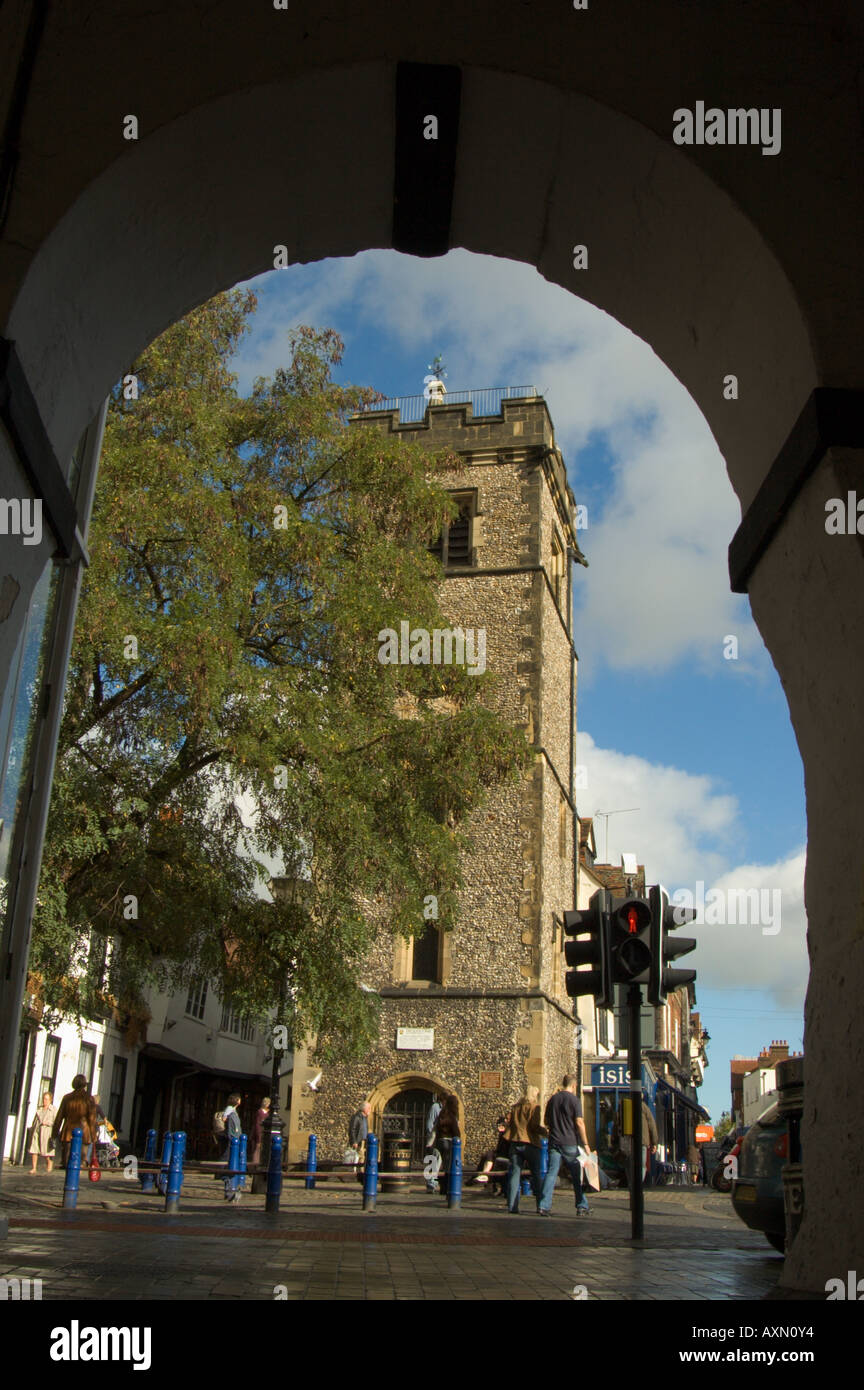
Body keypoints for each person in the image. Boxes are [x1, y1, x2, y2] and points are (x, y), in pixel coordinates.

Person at [538, 1075, 591, 1217]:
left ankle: (544, 1206)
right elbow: (579, 1123)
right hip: (569, 1142)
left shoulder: (553, 1099)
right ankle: (582, 1205)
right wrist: (585, 1143)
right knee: (576, 1176)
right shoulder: (574, 1100)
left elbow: (546, 1121)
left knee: (551, 1173)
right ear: (573, 1086)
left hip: (554, 1141)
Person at [503, 1085, 547, 1213]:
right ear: (534, 1095)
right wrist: (544, 1132)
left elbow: (510, 1125)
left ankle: (512, 1206)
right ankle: (540, 1205)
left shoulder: (515, 1107)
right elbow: (534, 1127)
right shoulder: (535, 1107)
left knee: (515, 1175)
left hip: (515, 1142)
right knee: (537, 1175)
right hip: (530, 1143)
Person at [52, 1075, 99, 1169]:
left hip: (68, 1133)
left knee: (67, 1163)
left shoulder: (67, 1098)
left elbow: (59, 1117)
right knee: (80, 1163)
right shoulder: (89, 1099)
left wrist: (54, 1133)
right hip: (84, 1134)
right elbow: (92, 1119)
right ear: (85, 1085)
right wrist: (93, 1137)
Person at [472, 1116, 510, 1195]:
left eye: (503, 1125)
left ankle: (484, 1176)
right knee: (486, 1156)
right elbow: (499, 1149)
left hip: (507, 1156)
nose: (500, 1127)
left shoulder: (508, 1134)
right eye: (499, 1125)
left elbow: (505, 1150)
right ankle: (484, 1177)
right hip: (501, 1156)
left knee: (490, 1156)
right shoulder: (502, 1135)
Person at [433, 1093, 460, 1198]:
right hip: (449, 1142)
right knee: (449, 1167)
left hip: (440, 1141)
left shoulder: (442, 1113)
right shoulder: (452, 1116)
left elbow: (436, 1128)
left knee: (441, 1166)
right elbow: (456, 1132)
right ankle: (447, 1189)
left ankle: (441, 1187)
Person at [28, 1090, 56, 1174]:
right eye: (44, 1099)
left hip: (46, 1132)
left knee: (46, 1151)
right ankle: (34, 1168)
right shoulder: (39, 1109)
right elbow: (35, 1120)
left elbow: (56, 1122)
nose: (45, 1101)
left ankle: (49, 1163)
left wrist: (47, 1123)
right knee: (34, 1149)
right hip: (37, 1130)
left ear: (50, 1100)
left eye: (47, 1099)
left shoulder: (53, 1109)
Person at [424, 1093, 443, 1192]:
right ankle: (431, 1182)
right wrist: (431, 1137)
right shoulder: (435, 1107)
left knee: (437, 1160)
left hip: (442, 1139)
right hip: (434, 1138)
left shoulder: (448, 1109)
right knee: (435, 1158)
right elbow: (429, 1124)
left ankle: (433, 1182)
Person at [250, 1096, 271, 1166]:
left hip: (264, 1135)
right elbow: (257, 1125)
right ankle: (254, 1167)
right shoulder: (260, 1112)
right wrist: (259, 1138)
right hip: (258, 1135)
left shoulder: (266, 1113)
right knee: (257, 1152)